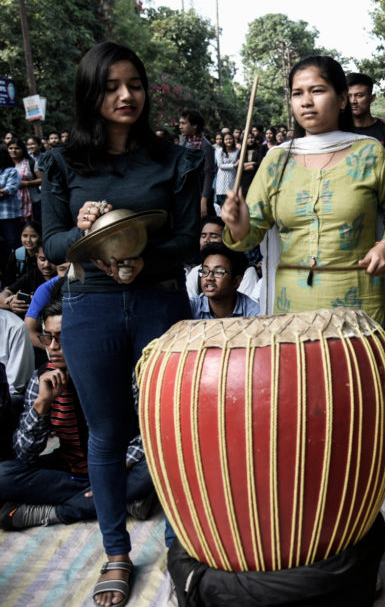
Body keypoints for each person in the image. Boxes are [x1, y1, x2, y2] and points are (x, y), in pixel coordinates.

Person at [40, 41, 201, 606]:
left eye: (134, 84)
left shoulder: (175, 158)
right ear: (91, 94)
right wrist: (84, 233)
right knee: (106, 435)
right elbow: (54, 241)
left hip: (159, 303)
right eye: (111, 87)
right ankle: (115, 552)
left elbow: (187, 240)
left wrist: (142, 259)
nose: (126, 96)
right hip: (91, 305)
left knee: (173, 433)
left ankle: (184, 539)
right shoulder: (61, 162)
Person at [220, 56, 385, 326]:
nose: (306, 101)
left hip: (359, 307)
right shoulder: (277, 160)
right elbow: (248, 236)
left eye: (317, 91)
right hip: (291, 308)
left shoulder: (369, 153)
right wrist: (238, 224)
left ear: (342, 99)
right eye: (298, 93)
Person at [0, 298, 157, 532]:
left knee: (151, 469)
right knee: (3, 475)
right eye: (47, 338)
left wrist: (119, 466)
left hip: (121, 466)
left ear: (85, 336)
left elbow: (152, 432)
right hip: (71, 471)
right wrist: (42, 405)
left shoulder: (120, 372)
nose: (52, 347)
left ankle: (58, 512)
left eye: (61, 338)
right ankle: (121, 500)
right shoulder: (41, 378)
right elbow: (24, 456)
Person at [185, 215, 260, 302]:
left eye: (214, 236)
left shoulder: (246, 272)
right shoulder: (196, 272)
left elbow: (247, 307)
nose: (206, 240)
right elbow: (189, 307)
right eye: (203, 236)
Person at [189, 242, 260, 319]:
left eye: (218, 272)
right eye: (205, 271)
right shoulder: (191, 308)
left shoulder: (254, 314)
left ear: (236, 281)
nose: (209, 278)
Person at [347, 72, 385, 153]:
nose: (353, 101)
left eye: (359, 95)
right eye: (348, 96)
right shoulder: (338, 130)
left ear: (372, 98)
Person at [178, 110, 216, 217]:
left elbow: (209, 174)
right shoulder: (184, 143)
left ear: (194, 125)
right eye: (180, 123)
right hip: (186, 194)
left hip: (199, 196)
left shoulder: (205, 146)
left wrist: (203, 202)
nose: (180, 126)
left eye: (183, 123)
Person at [8, 138, 41, 224]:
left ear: (22, 150)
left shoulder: (30, 163)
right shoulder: (6, 165)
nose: (13, 151)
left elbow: (42, 179)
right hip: (13, 205)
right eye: (11, 148)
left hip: (33, 202)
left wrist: (26, 183)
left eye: (17, 148)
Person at [3, 219, 42, 286]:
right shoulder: (17, 254)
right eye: (25, 236)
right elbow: (8, 280)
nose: (28, 240)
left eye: (33, 236)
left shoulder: (45, 254)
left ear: (40, 237)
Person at [0, 148, 24, 253]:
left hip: (9, 215)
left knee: (14, 244)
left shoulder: (11, 171)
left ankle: (19, 267)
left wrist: (4, 191)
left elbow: (10, 189)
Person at [213, 127, 239, 212]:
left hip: (233, 178)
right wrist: (233, 165)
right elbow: (220, 165)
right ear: (224, 141)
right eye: (226, 139)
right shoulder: (219, 151)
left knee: (232, 203)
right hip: (222, 179)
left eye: (230, 139)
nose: (228, 141)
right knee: (222, 204)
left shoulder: (238, 151)